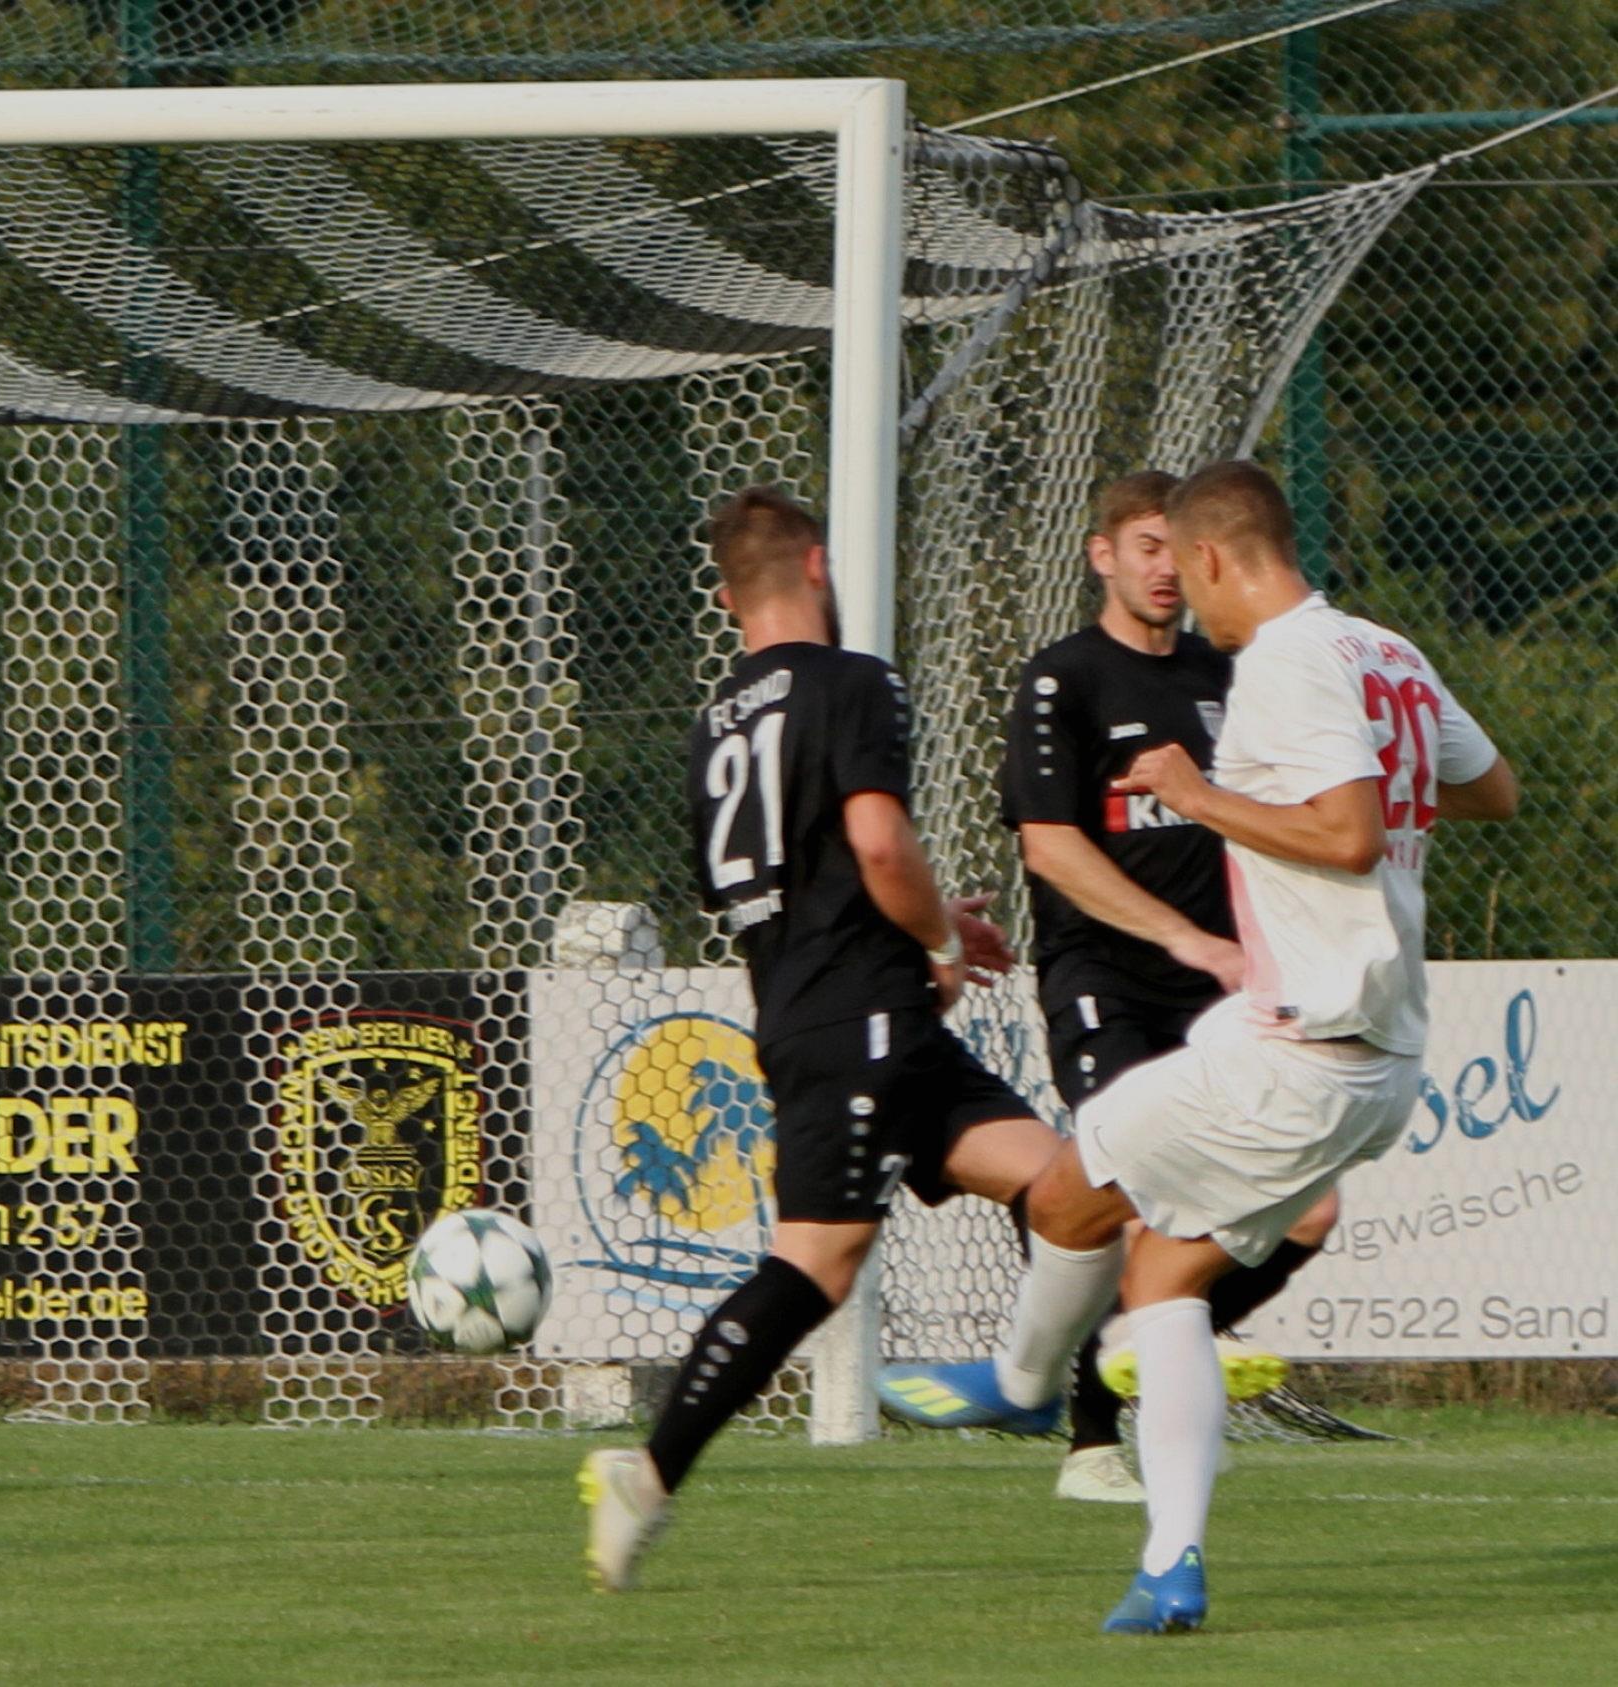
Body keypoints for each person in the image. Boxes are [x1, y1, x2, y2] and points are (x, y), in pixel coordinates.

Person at [882, 461, 1517, 1633]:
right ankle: (1169, 1564)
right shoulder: (1384, 650)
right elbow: (1491, 791)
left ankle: (1022, 1385)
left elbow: (1340, 834)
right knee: (1162, 1279)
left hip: (1299, 1045)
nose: (1189, 599)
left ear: (1217, 556)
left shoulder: (1278, 663)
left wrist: (1193, 788)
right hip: (1373, 1055)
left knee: (1072, 1195)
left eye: (1190, 568)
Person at [578, 485, 1066, 1593]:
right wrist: (939, 934)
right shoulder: (854, 681)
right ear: (815, 564)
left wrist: (922, 946)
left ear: (723, 595)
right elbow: (877, 841)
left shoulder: (711, 726)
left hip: (825, 1009)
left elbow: (781, 890)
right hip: (860, 1020)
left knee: (1065, 1186)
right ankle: (646, 1475)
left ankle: (1081, 1406)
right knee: (814, 1263)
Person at [1002, 470, 1329, 1504]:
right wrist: (1184, 937)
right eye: (1141, 546)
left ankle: (1162, 1336)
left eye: (1170, 548)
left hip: (1229, 985)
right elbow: (1051, 848)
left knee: (1311, 1211)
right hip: (1106, 978)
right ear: (1101, 554)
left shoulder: (1223, 674)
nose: (1161, 569)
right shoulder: (1063, 678)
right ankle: (1091, 1438)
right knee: (1132, 1185)